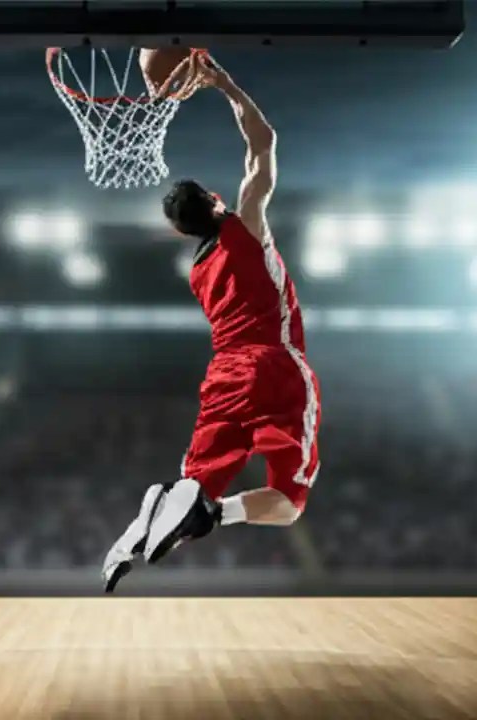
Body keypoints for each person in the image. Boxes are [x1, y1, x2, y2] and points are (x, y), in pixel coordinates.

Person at [102, 55, 321, 592]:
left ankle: (184, 512)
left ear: (184, 234)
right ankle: (195, 507)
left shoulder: (199, 269)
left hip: (224, 373)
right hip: (275, 363)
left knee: (197, 484)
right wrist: (225, 84)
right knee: (290, 503)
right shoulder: (246, 221)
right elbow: (263, 142)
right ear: (215, 200)